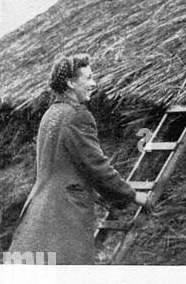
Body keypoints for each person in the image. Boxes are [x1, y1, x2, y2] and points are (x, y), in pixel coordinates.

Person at [9, 53, 145, 264]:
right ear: (71, 83)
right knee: (74, 277)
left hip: (41, 208)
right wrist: (131, 195)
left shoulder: (51, 114)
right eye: (88, 78)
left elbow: (64, 164)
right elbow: (95, 166)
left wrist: (103, 195)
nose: (93, 83)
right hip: (67, 211)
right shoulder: (78, 115)